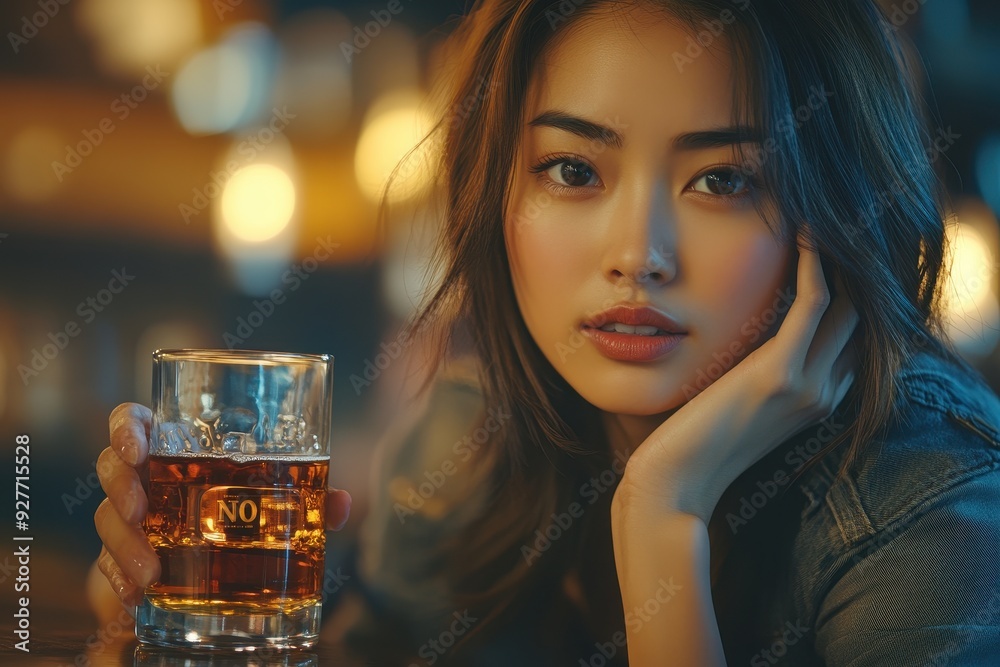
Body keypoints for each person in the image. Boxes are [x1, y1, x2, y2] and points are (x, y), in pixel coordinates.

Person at [93, 0, 1000, 664]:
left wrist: (662, 516)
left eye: (723, 181)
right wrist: (134, 633)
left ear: (837, 214)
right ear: (500, 196)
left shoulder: (930, 516)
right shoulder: (479, 426)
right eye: (572, 169)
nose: (638, 254)